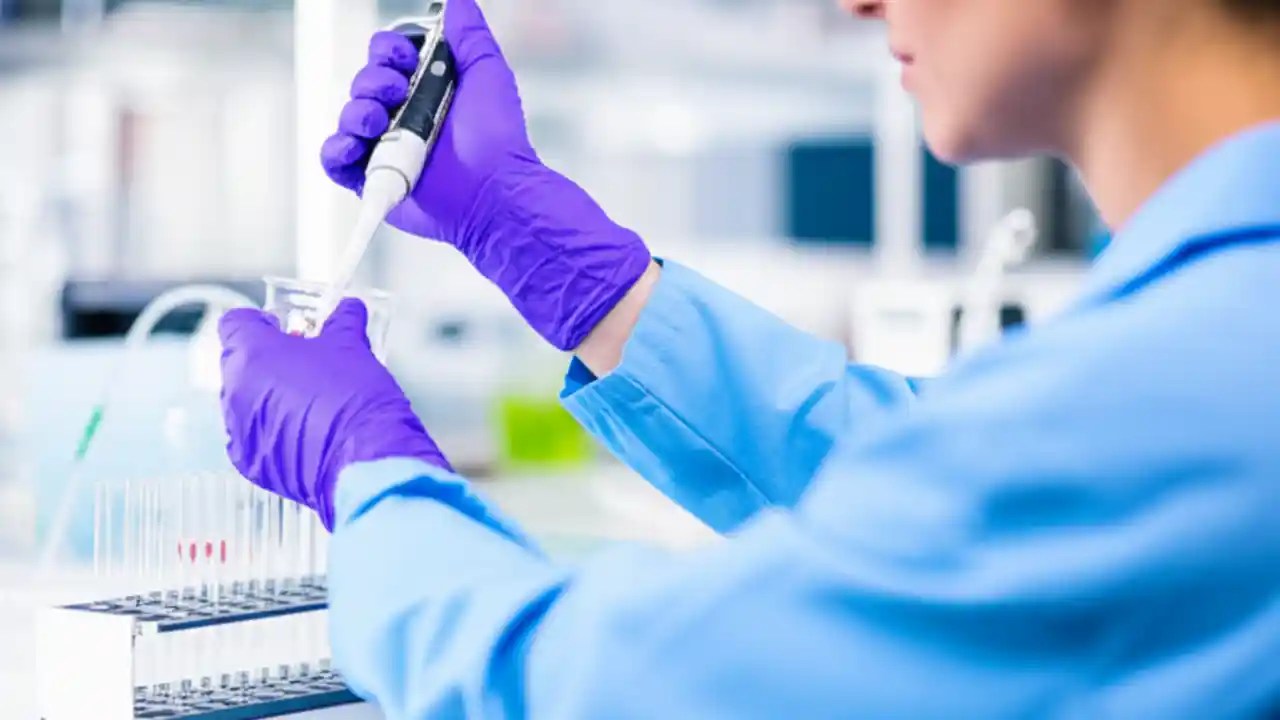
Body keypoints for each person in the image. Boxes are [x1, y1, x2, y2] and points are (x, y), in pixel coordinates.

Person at [219, 0, 1280, 716]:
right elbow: (945, 485)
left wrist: (370, 475)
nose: (856, 2)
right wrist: (569, 270)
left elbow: (600, 690)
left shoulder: (1191, 389)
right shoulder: (1219, 337)